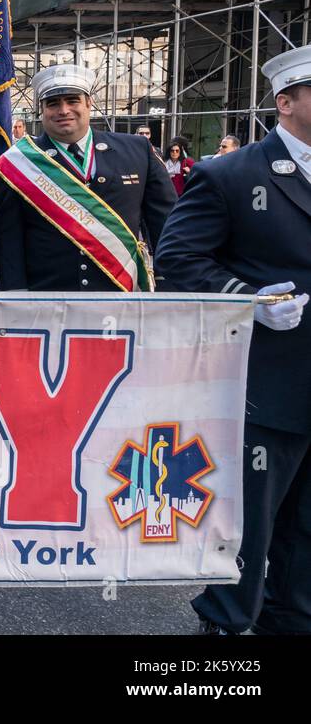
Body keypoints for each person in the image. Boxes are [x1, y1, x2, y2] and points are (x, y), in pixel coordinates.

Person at [155, 43, 311, 634]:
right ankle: (224, 625)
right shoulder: (231, 172)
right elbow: (179, 258)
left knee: (309, 524)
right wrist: (249, 300)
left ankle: (293, 618)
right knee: (252, 519)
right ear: (287, 101)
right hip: (267, 379)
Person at [0, 64, 176, 292]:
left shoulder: (137, 150)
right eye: (53, 104)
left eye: (72, 100)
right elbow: (9, 240)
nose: (63, 110)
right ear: (41, 110)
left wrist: (169, 282)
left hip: (121, 293)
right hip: (48, 298)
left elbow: (165, 223)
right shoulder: (17, 162)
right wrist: (16, 297)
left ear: (89, 103)